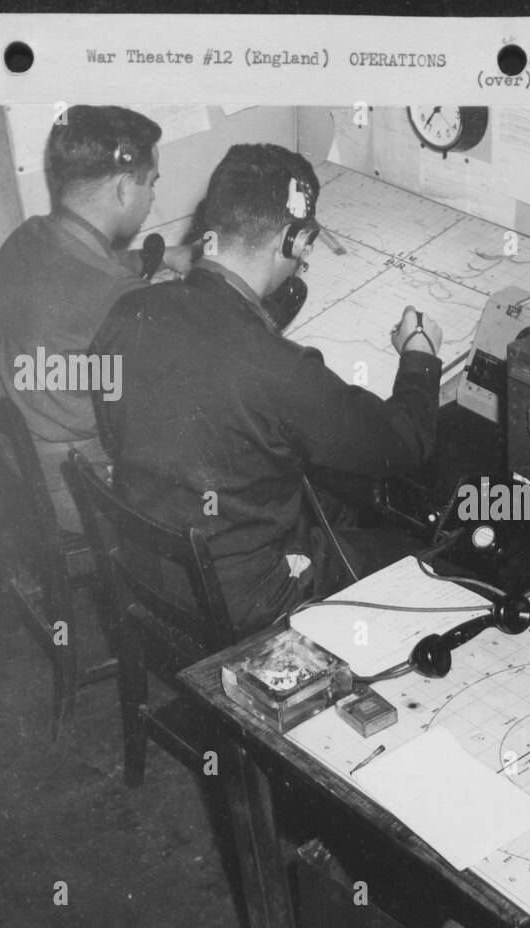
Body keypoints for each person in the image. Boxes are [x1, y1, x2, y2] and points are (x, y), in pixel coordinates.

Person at [90, 143, 444, 635]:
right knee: (412, 549)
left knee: (329, 501)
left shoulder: (129, 312)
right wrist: (420, 356)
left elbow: (118, 428)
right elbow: (404, 443)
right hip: (246, 603)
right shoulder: (281, 372)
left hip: (148, 563)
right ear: (296, 241)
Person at [0, 105, 193, 531]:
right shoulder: (117, 296)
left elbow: (82, 266)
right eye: (151, 184)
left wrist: (162, 256)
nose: (152, 198)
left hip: (15, 468)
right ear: (126, 188)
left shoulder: (28, 236)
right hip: (82, 494)